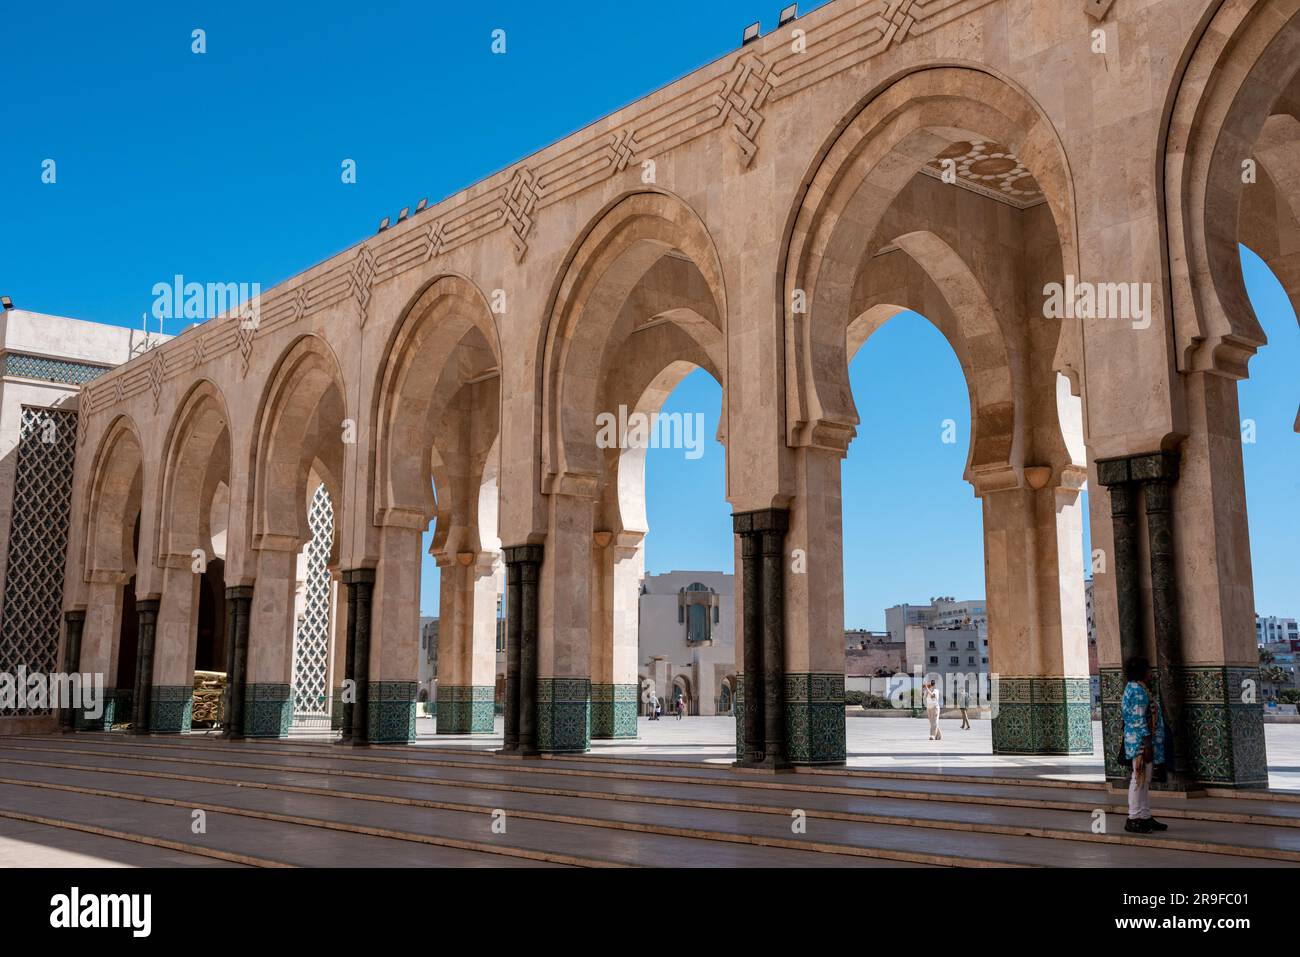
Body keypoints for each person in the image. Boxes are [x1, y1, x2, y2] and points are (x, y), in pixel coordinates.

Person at [1122, 656, 1169, 834]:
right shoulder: (1137, 691)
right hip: (1141, 743)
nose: (1150, 673)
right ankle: (1133, 818)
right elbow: (1138, 718)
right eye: (1148, 669)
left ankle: (1144, 815)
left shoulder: (1136, 688)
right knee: (1139, 779)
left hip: (1141, 741)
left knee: (1144, 779)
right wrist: (1147, 742)